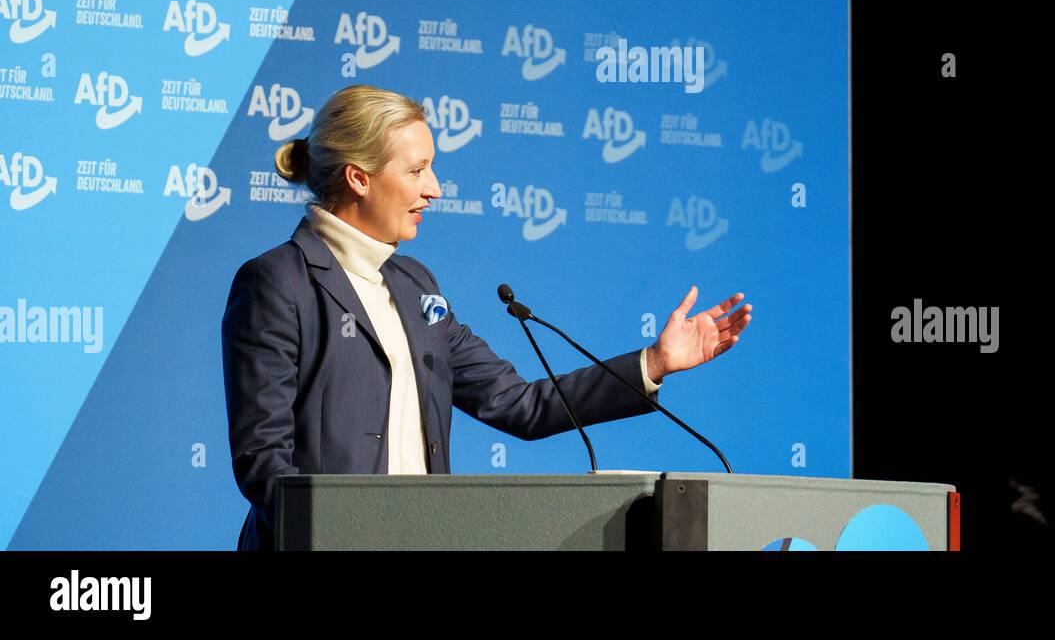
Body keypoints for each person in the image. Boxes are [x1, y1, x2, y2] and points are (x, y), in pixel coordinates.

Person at [221, 84, 752, 551]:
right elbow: (264, 462)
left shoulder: (414, 286)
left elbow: (520, 405)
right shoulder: (277, 282)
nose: (435, 188)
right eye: (417, 170)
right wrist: (345, 537)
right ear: (359, 178)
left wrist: (654, 362)